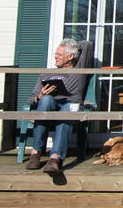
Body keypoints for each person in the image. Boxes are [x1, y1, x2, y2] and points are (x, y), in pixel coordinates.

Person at [24, 39, 89, 175]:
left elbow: (87, 44)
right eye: (55, 54)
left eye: (59, 54)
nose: (55, 57)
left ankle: (55, 158)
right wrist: (40, 96)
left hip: (69, 106)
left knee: (67, 109)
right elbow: (31, 99)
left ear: (71, 56)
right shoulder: (46, 73)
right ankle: (36, 153)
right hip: (49, 107)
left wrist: (70, 45)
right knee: (46, 100)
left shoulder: (79, 70)